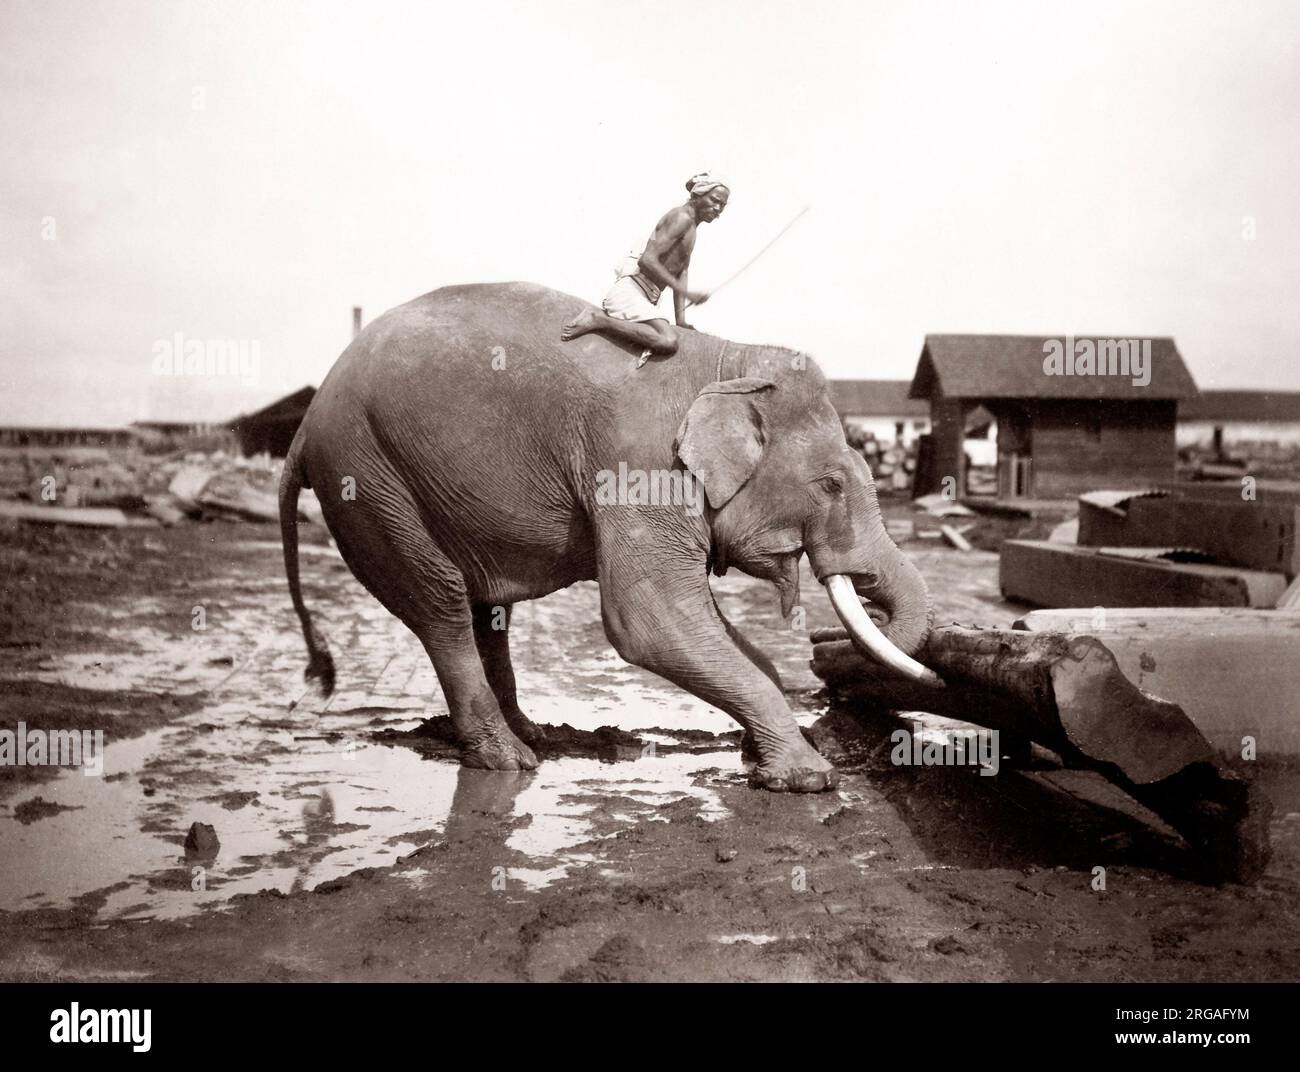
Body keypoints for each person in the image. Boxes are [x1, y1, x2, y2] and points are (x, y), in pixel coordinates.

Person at [561, 173, 730, 367]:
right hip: (630, 292)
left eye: (722, 206)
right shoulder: (681, 218)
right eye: (714, 200)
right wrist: (688, 293)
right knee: (668, 340)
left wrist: (681, 320)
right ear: (698, 195)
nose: (717, 209)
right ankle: (598, 319)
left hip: (646, 297)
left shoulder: (692, 229)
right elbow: (647, 260)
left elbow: (682, 272)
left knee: (669, 336)